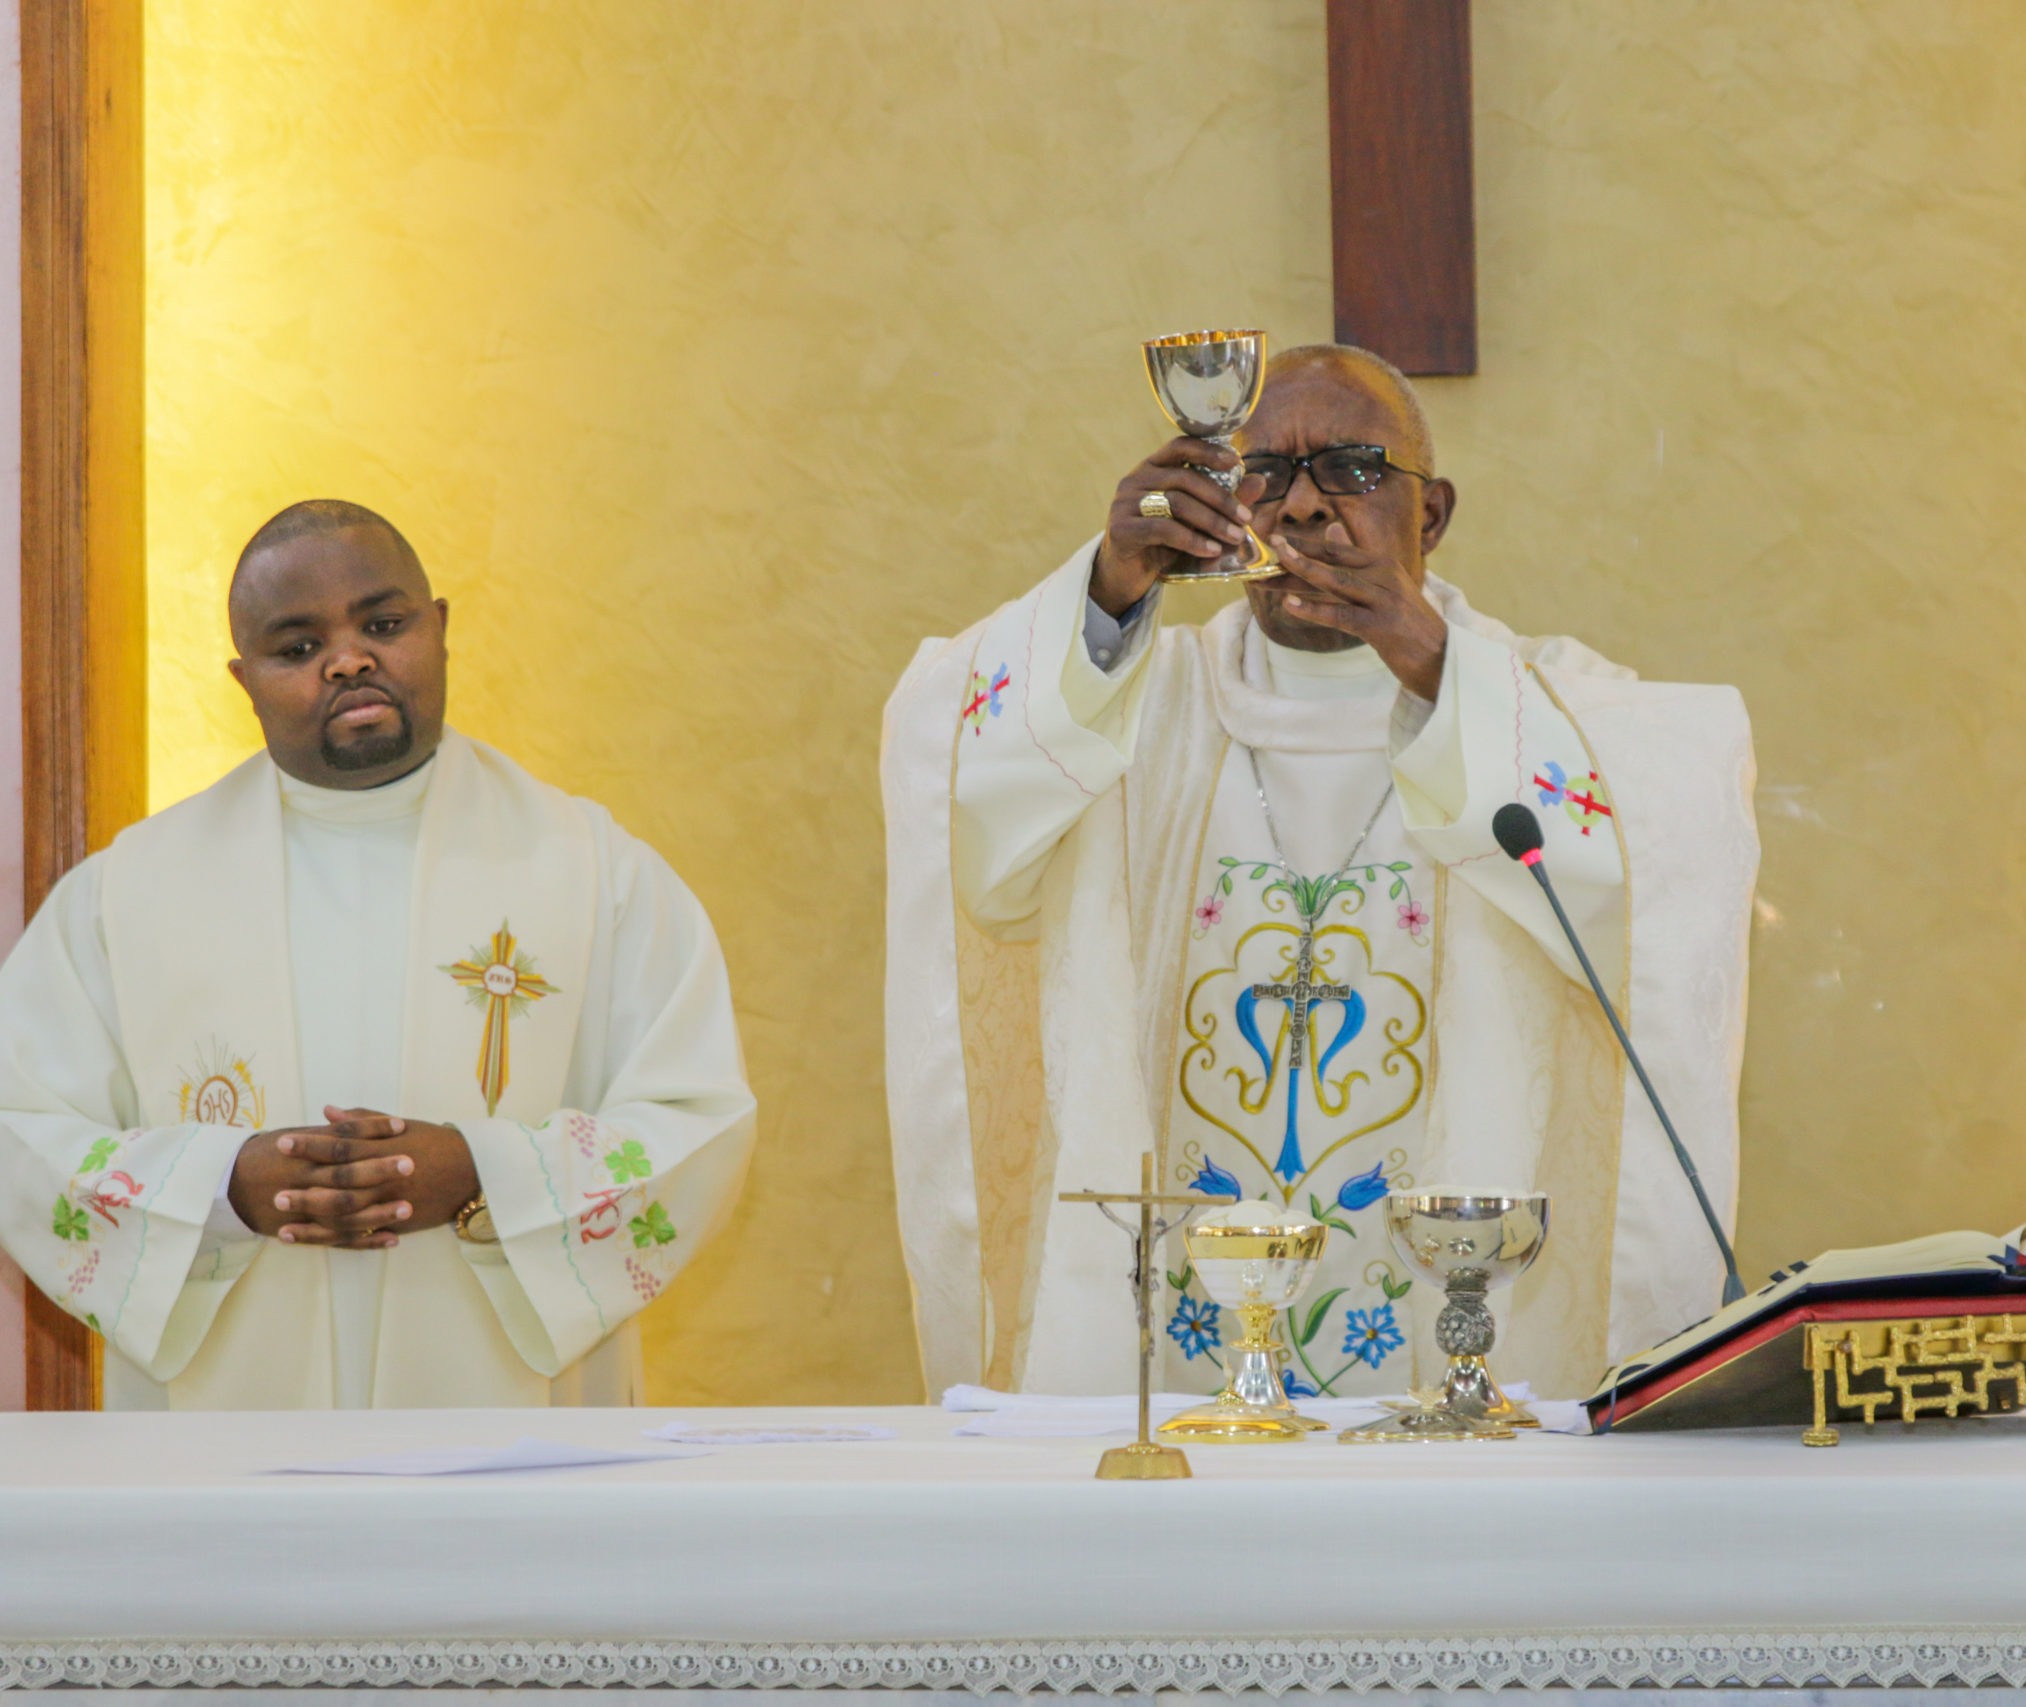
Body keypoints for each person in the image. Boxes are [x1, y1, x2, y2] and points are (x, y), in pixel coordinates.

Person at [882, 345, 1757, 1398]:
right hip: (1175, 1360)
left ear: (1429, 517)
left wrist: (1437, 672)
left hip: (1443, 1357)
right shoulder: (1132, 704)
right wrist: (1108, 590)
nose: (1299, 509)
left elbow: (1668, 841)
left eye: (1348, 468)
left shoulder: (1529, 710)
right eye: (1261, 472)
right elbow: (959, 776)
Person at [0, 500, 755, 1408]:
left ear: (441, 628)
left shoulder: (599, 873)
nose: (349, 659)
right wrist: (219, 1190)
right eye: (296, 645)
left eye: (384, 624)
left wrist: (484, 1174)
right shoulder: (122, 897)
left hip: (517, 1436)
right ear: (244, 681)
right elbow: (22, 1130)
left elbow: (698, 1117)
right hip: (228, 1438)